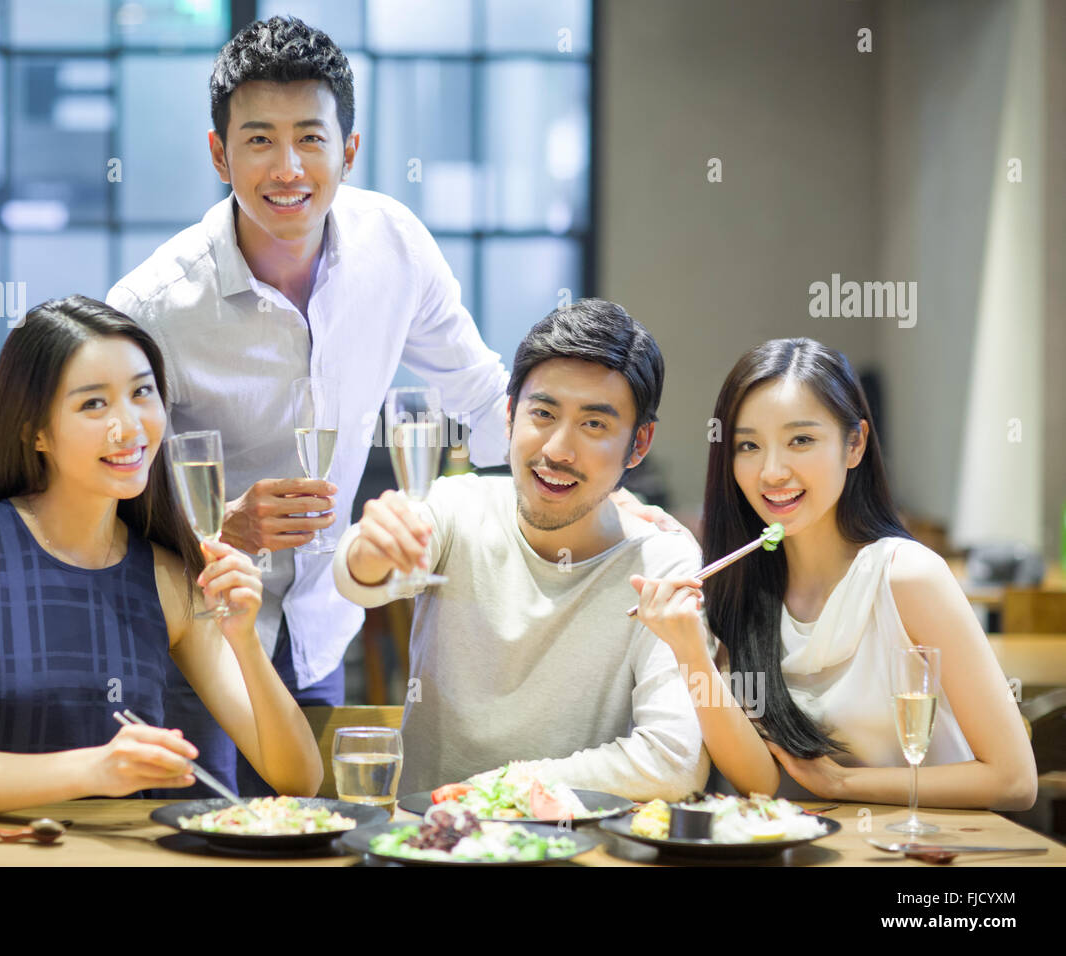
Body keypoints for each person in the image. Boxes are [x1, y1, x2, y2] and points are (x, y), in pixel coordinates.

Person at [106, 16, 677, 797]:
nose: (287, 167)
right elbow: (102, 490)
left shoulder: (394, 247)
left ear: (350, 149)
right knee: (201, 840)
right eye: (259, 140)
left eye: (310, 137)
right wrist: (216, 522)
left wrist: (610, 493)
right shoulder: (154, 304)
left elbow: (486, 402)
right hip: (193, 633)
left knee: (308, 832)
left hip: (319, 626)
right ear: (219, 153)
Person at [0, 296, 322, 815]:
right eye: (94, 404)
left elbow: (300, 778)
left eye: (142, 392)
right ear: (36, 432)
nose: (130, 426)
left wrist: (246, 641)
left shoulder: (168, 575)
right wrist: (97, 769)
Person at [629, 338, 1038, 809]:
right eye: (748, 445)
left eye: (801, 440)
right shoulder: (737, 588)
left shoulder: (908, 578)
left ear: (855, 444)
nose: (772, 471)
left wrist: (842, 784)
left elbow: (1013, 780)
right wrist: (689, 654)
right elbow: (760, 780)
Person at [332, 299, 709, 799]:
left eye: (594, 424)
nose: (557, 449)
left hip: (580, 849)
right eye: (543, 413)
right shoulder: (458, 506)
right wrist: (370, 548)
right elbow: (358, 578)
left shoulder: (661, 562)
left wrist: (509, 787)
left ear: (638, 444)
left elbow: (674, 760)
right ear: (509, 416)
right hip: (432, 844)